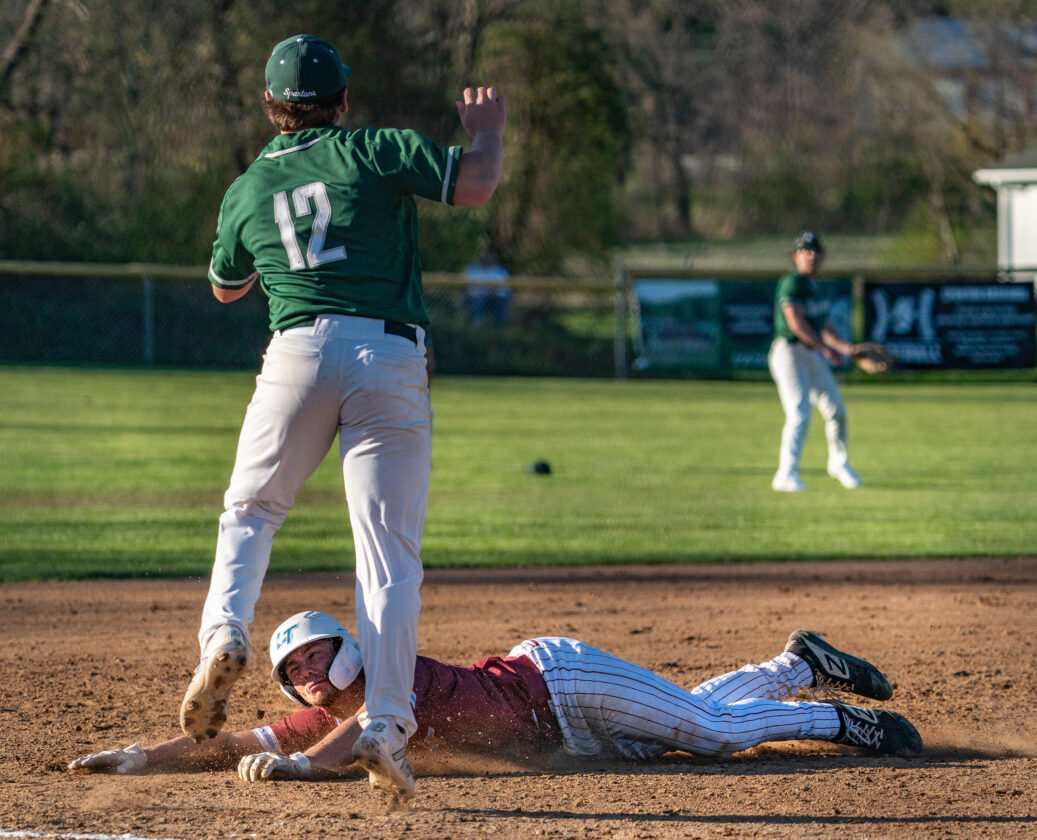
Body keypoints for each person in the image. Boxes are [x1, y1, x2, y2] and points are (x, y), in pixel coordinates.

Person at [180, 33, 506, 804]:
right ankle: (387, 722)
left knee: (251, 511)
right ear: (343, 101)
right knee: (387, 556)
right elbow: (476, 185)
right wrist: (486, 128)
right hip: (388, 355)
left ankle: (223, 634)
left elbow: (227, 287)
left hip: (293, 353)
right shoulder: (378, 149)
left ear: (271, 107)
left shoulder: (248, 185)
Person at [74, 611, 922, 803]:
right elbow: (230, 745)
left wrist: (300, 766)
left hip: (559, 681)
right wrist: (141, 756)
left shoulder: (393, 670)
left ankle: (845, 723)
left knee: (707, 733)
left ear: (350, 648)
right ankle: (795, 663)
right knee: (695, 717)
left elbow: (365, 731)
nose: (308, 674)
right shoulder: (319, 715)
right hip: (574, 740)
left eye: (318, 653)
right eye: (293, 671)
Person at [768, 231, 862, 492]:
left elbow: (824, 326)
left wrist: (847, 348)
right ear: (795, 256)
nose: (811, 255)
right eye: (805, 250)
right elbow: (796, 323)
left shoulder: (820, 286)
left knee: (837, 411)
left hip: (812, 353)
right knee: (799, 412)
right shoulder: (792, 283)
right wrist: (824, 348)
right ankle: (785, 474)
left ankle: (838, 463)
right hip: (788, 352)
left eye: (815, 250)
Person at [463, 247, 510, 326]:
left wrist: (491, 291)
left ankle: (499, 328)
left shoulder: (500, 271)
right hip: (477, 298)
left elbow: (504, 291)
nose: (487, 259)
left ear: (493, 258)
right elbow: (466, 288)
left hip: (495, 298)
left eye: (489, 256)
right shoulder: (473, 270)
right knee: (478, 301)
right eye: (485, 256)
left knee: (502, 301)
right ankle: (477, 327)